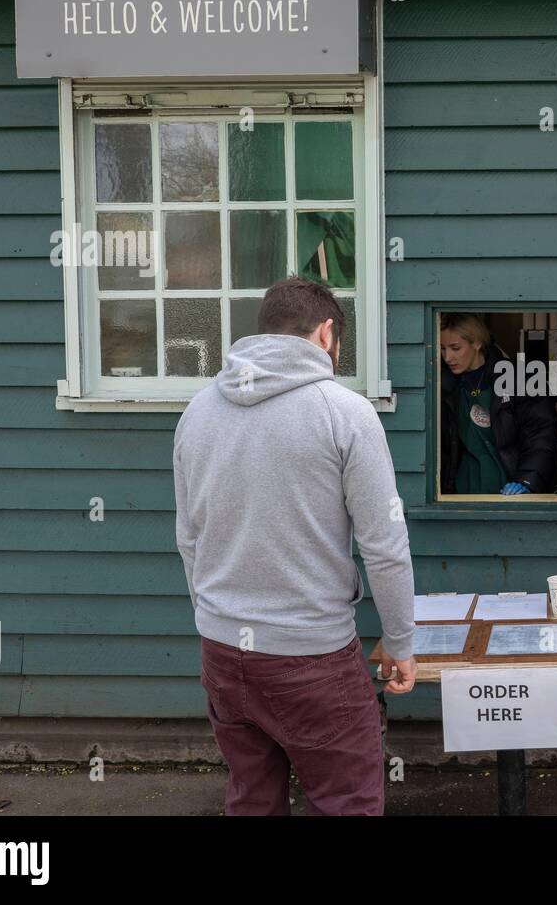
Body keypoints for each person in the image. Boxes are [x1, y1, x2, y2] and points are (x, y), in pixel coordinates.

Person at [173, 277, 416, 816]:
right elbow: (384, 545)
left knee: (253, 801)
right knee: (346, 803)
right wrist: (400, 642)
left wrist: (216, 615)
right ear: (326, 334)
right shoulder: (346, 412)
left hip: (222, 649)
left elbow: (188, 536)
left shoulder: (197, 412)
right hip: (313, 654)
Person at [439, 313, 557, 495]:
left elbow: (541, 435)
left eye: (455, 348)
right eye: (442, 349)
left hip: (511, 490)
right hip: (463, 490)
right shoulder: (444, 385)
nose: (447, 357)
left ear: (477, 343)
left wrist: (527, 480)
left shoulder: (520, 377)